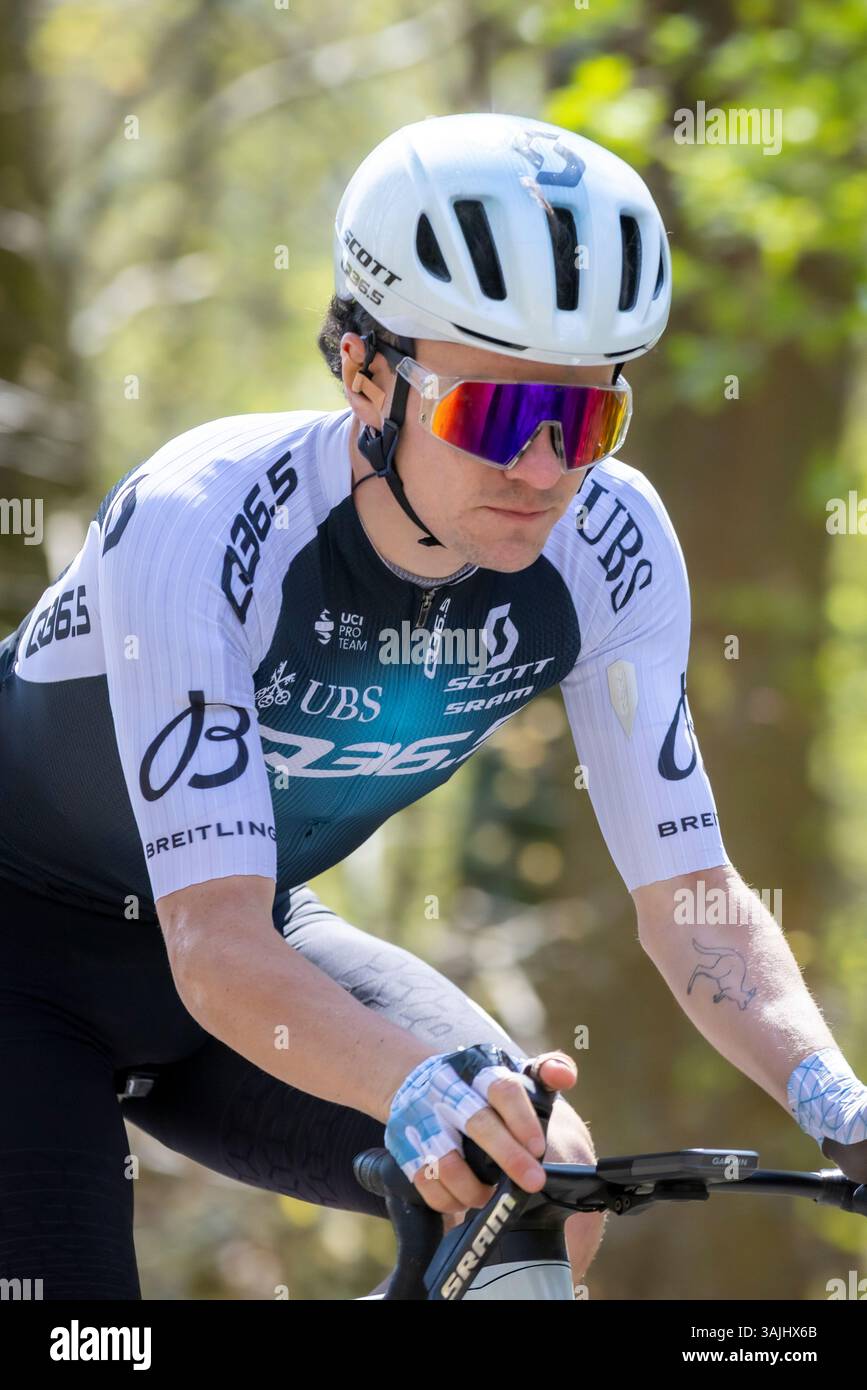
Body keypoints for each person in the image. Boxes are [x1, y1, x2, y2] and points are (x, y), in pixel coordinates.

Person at [0, 112, 863, 1302]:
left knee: (537, 1186)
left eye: (589, 419)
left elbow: (695, 901)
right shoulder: (204, 519)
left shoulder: (615, 543)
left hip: (244, 943)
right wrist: (420, 1083)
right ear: (363, 371)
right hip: (36, 946)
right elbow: (215, 947)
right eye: (499, 415)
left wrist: (839, 1100)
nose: (549, 470)